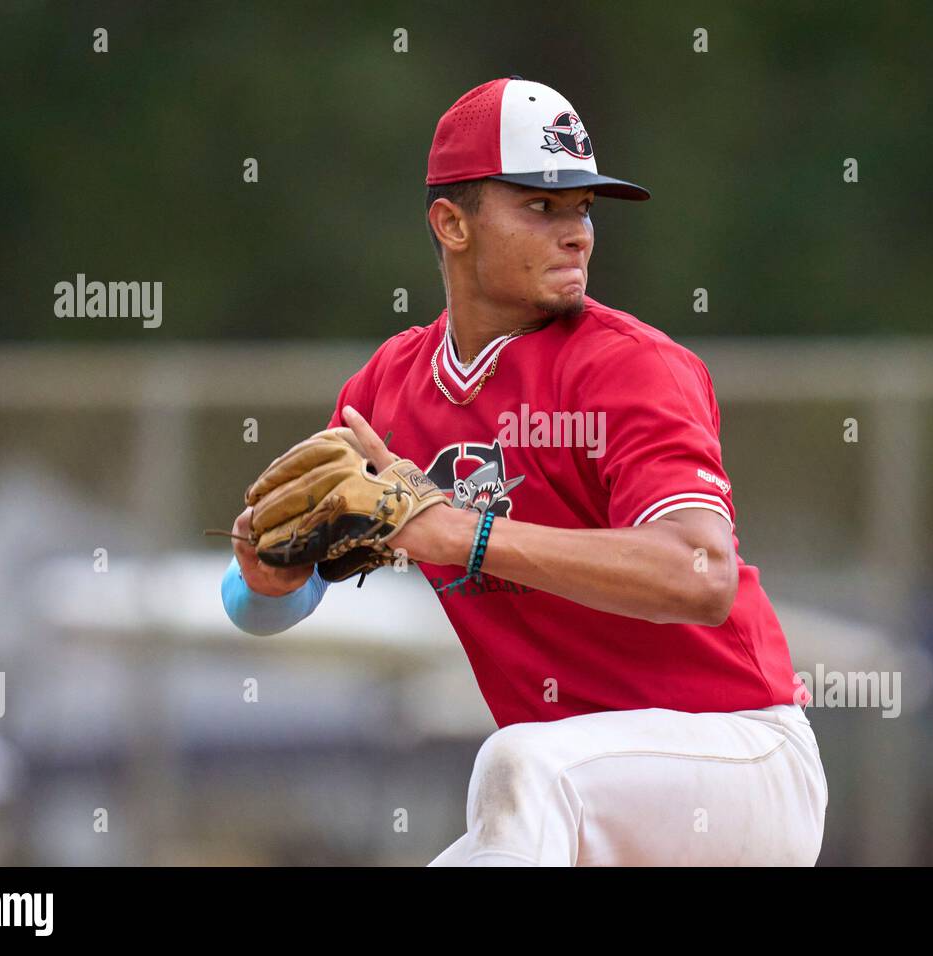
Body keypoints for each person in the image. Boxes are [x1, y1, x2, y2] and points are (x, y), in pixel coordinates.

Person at [221, 77, 827, 866]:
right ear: (452, 222)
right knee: (525, 772)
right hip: (575, 793)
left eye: (583, 207)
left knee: (518, 762)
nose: (577, 232)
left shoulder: (630, 367)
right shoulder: (386, 391)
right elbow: (265, 601)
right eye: (542, 206)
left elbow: (702, 572)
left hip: (736, 758)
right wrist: (264, 578)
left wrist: (462, 535)